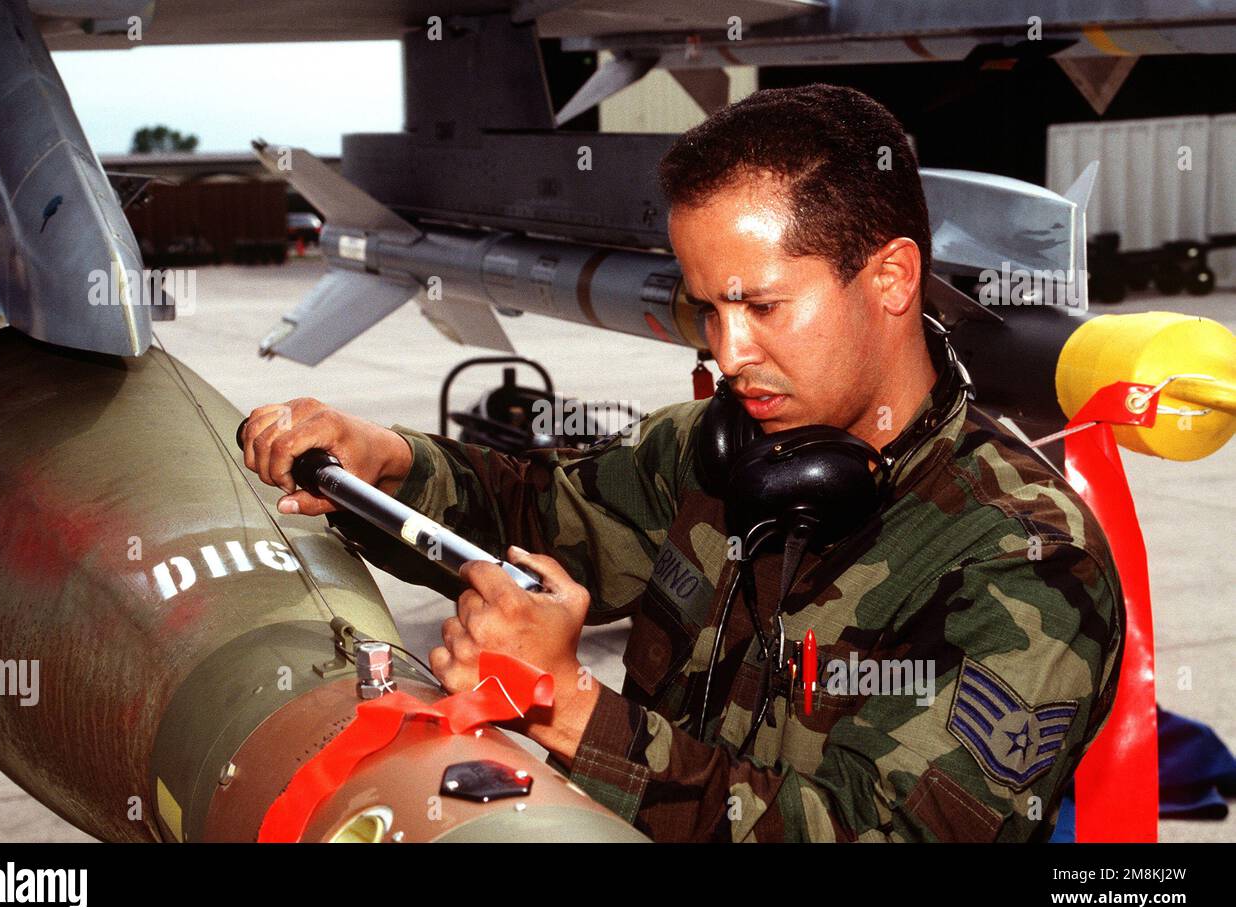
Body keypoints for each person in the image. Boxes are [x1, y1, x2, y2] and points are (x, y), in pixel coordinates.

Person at [240, 84, 1123, 842]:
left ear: (891, 278)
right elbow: (542, 512)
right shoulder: (715, 447)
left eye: (764, 306)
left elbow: (876, 830)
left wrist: (568, 705)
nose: (729, 353)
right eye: (706, 308)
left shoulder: (1021, 558)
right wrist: (389, 462)